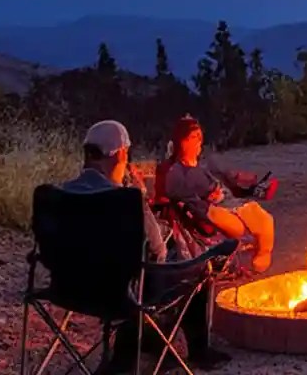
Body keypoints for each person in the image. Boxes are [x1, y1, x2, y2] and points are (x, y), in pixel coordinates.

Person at [61, 120, 231, 374]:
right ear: (120, 154)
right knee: (199, 268)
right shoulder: (127, 200)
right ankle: (197, 351)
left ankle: (146, 342)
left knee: (132, 275)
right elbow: (157, 252)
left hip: (69, 288)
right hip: (122, 293)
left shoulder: (60, 194)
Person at [161, 116, 275, 273]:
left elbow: (225, 177)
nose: (198, 141)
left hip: (227, 201)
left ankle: (260, 257)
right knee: (241, 228)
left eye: (199, 137)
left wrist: (238, 182)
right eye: (193, 137)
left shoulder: (204, 164)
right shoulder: (177, 172)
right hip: (208, 210)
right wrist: (204, 199)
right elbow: (177, 196)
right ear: (182, 141)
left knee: (264, 219)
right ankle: (254, 259)